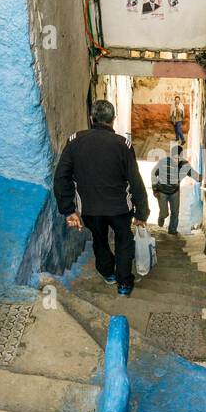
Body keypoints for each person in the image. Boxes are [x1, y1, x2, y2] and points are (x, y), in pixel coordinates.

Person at [54, 100, 148, 296]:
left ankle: (107, 273)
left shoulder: (75, 141)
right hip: (120, 209)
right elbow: (135, 180)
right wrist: (142, 212)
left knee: (99, 239)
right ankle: (124, 284)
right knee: (124, 241)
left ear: (91, 118)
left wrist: (68, 209)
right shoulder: (123, 144)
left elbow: (61, 176)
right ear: (113, 120)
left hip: (90, 208)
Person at [151, 143, 198, 235]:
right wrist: (155, 189)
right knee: (165, 213)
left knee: (175, 212)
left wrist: (202, 177)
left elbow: (195, 175)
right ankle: (162, 216)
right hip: (162, 191)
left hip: (174, 191)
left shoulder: (184, 165)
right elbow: (153, 173)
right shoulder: (163, 162)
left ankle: (172, 230)